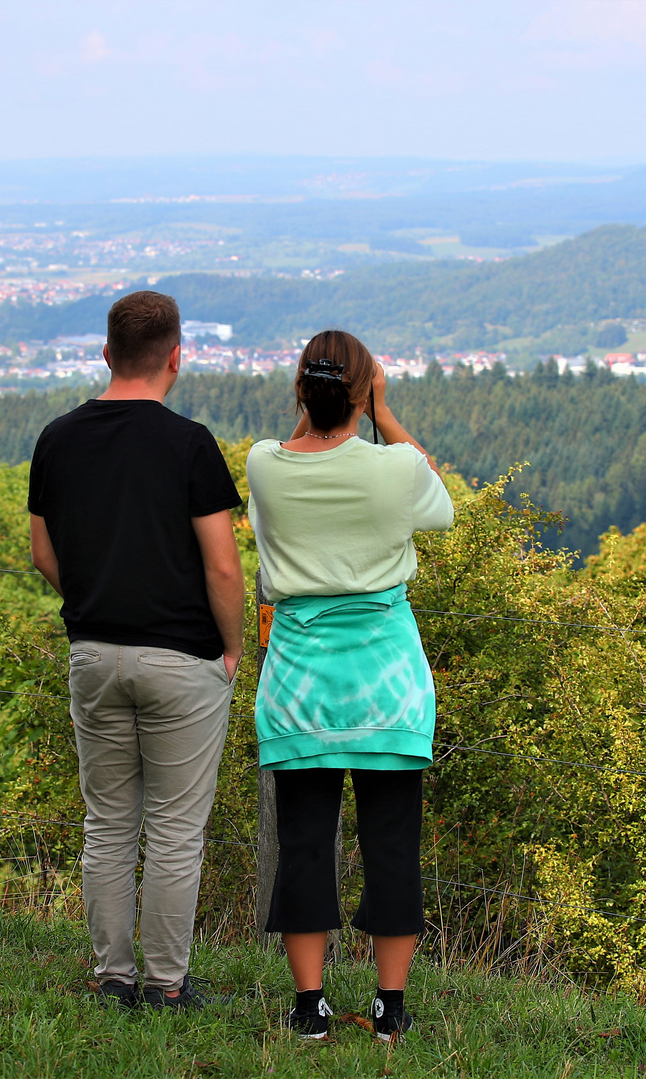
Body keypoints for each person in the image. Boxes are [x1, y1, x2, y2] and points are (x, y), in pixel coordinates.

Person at [28, 290, 246, 1010]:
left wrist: (91, 598)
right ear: (177, 358)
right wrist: (233, 650)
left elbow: (41, 552)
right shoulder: (189, 444)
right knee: (176, 830)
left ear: (105, 354)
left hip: (94, 651)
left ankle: (112, 977)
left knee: (108, 822)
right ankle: (165, 984)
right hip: (181, 658)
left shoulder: (58, 438)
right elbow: (221, 565)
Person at [246, 329, 454, 1042]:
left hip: (300, 688)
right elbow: (442, 507)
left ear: (302, 390)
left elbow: (295, 451)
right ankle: (390, 1008)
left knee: (305, 845)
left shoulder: (263, 466)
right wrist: (385, 413)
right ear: (364, 394)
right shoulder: (394, 467)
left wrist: (317, 405)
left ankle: (310, 1007)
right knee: (393, 845)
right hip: (387, 687)